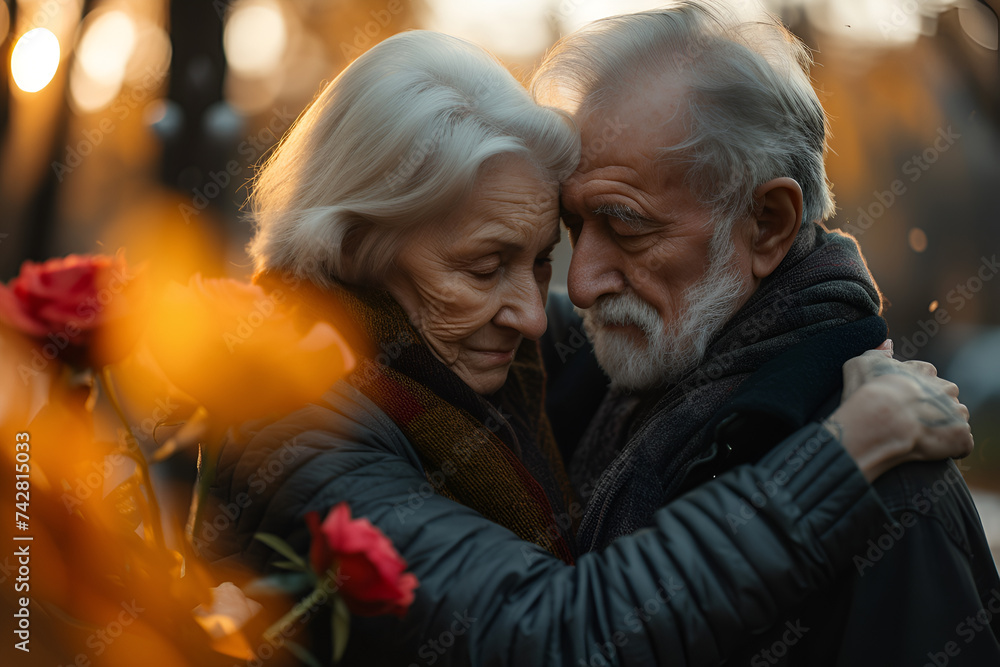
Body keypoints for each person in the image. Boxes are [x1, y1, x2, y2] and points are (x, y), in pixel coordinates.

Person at [198, 30, 973, 666]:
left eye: (544, 256)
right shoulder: (300, 421)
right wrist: (835, 463)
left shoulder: (886, 472)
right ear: (354, 251)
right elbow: (552, 632)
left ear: (768, 224)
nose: (543, 312)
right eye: (484, 265)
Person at [531, 2, 1000, 664]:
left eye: (627, 225)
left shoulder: (891, 493)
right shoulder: (611, 380)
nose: (580, 284)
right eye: (575, 229)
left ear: (770, 222)